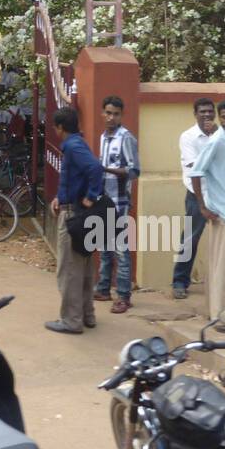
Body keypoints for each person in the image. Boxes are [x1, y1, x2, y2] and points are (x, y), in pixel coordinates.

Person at [45, 107, 105, 335]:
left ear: (60, 127)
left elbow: (95, 168)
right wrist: (59, 197)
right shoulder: (78, 143)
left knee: (69, 269)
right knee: (86, 266)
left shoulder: (72, 146)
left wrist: (90, 197)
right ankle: (87, 314)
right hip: (78, 211)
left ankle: (71, 320)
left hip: (74, 215)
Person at [190, 100, 225, 321]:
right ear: (219, 118)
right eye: (224, 117)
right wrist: (202, 206)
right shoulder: (217, 141)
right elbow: (196, 172)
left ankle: (215, 312)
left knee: (218, 265)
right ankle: (222, 316)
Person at [94, 96, 140, 315]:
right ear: (103, 113)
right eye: (108, 113)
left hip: (120, 202)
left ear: (122, 115)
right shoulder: (104, 137)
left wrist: (105, 169)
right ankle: (103, 289)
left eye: (116, 114)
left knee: (121, 251)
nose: (111, 117)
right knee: (104, 247)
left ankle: (123, 296)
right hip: (104, 201)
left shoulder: (126, 138)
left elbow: (133, 170)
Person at [172, 99, 217, 300]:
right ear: (195, 114)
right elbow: (195, 169)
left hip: (219, 194)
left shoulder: (220, 134)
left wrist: (216, 136)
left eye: (210, 111)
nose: (207, 115)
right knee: (190, 239)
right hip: (196, 194)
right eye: (202, 112)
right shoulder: (188, 137)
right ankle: (180, 281)